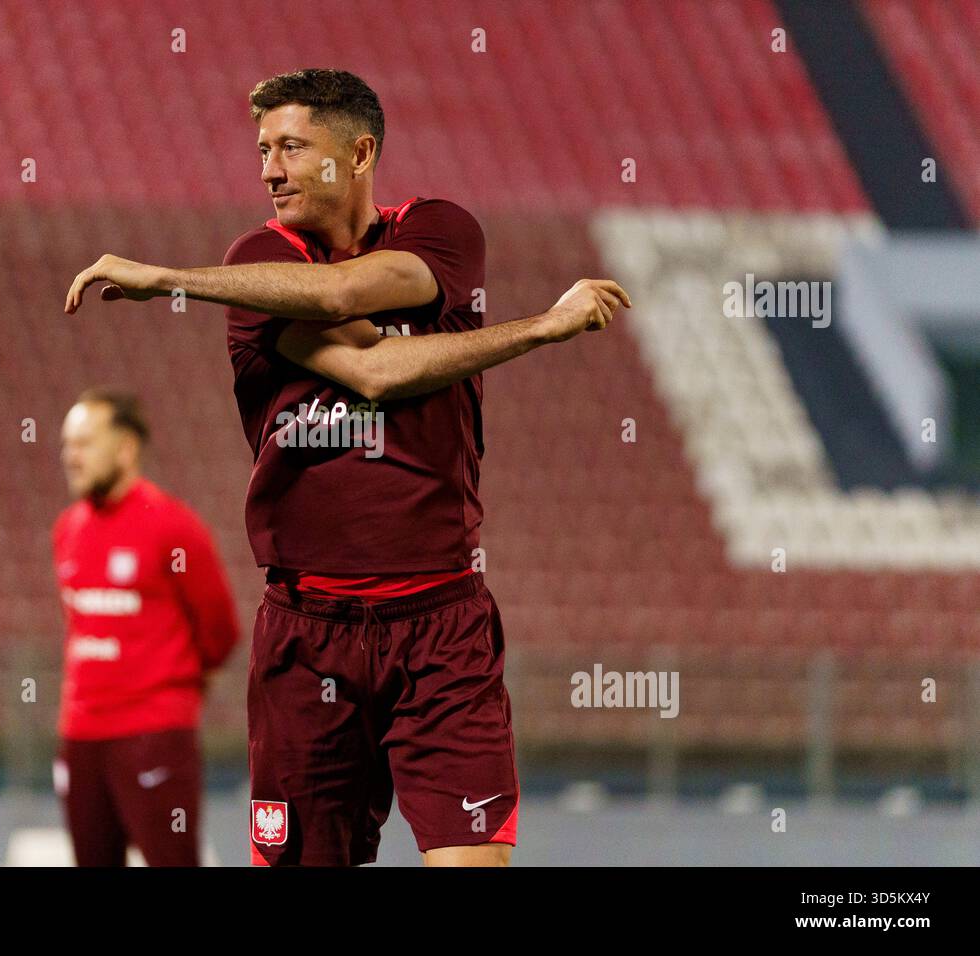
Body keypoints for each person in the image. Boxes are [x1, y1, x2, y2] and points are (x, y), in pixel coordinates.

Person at [63, 69, 629, 866]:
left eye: (292, 147)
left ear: (358, 153)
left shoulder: (442, 230)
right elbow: (371, 369)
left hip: (442, 625)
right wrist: (543, 328)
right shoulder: (257, 264)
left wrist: (166, 279)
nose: (270, 168)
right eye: (263, 149)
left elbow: (356, 291)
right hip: (307, 634)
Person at [52, 390, 239, 866]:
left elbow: (220, 630)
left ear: (126, 448)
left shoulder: (173, 527)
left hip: (154, 733)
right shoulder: (68, 529)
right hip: (81, 733)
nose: (71, 457)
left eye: (85, 443)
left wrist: (171, 687)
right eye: (67, 445)